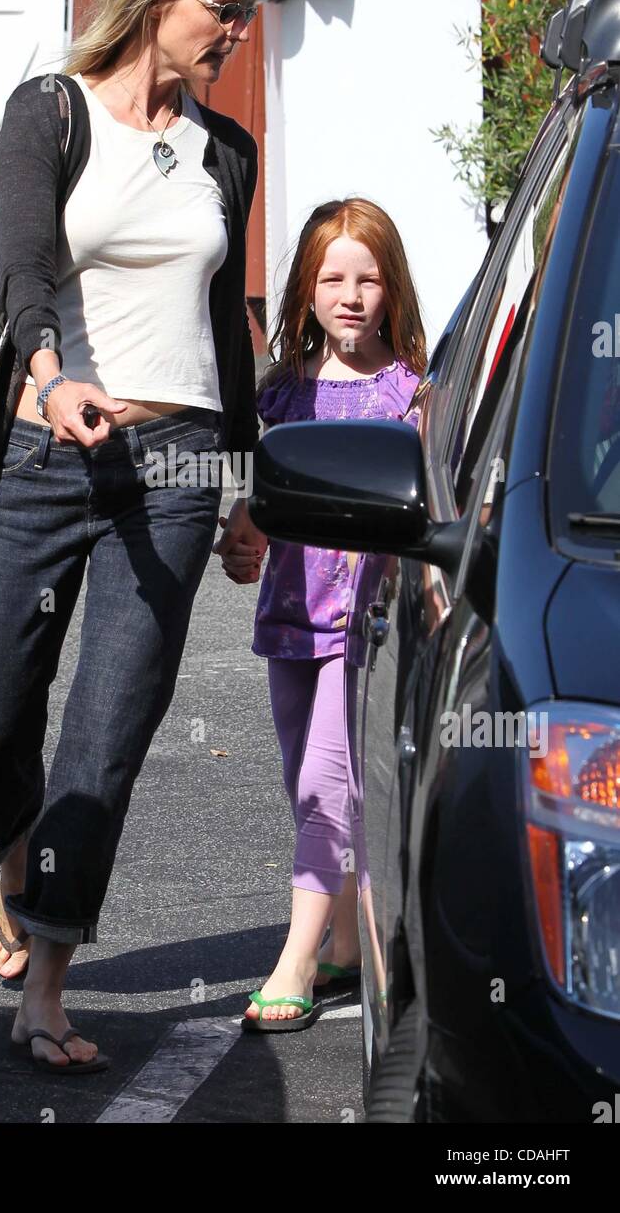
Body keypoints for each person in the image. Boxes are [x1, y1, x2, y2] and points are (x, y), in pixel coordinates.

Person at [0, 0, 268, 1072]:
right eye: (220, 9)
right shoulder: (48, 114)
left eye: (244, 14)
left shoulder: (224, 152)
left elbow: (226, 335)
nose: (234, 32)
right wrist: (49, 372)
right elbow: (23, 263)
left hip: (174, 469)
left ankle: (43, 980)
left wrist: (244, 485)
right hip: (50, 449)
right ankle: (13, 853)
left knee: (108, 731)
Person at [214, 198, 427, 1031]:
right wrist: (246, 536)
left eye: (368, 278)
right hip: (291, 616)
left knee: (325, 786)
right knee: (303, 774)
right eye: (331, 277)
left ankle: (297, 960)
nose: (350, 294)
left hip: (365, 627)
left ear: (391, 290)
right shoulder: (282, 396)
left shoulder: (410, 394)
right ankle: (349, 937)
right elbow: (267, 498)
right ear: (304, 290)